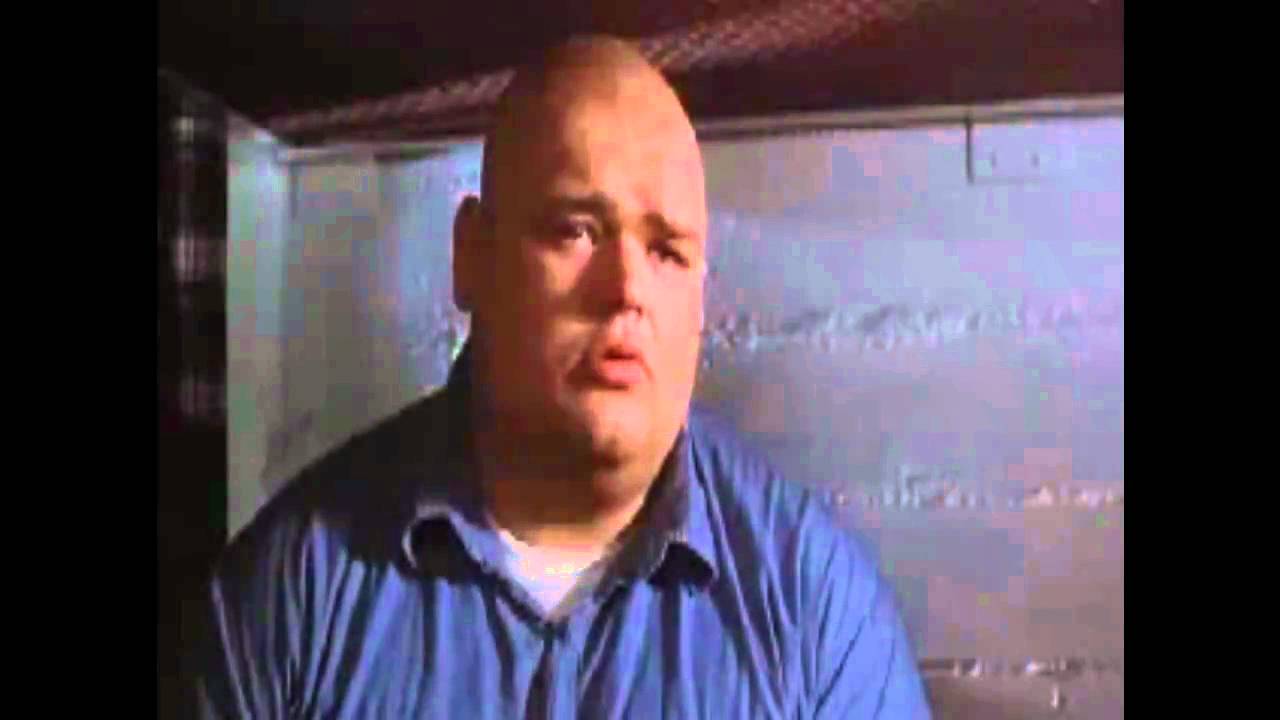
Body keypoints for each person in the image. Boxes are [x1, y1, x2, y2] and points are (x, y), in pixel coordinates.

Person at [192, 35, 932, 718]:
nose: (627, 289)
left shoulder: (815, 610)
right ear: (471, 257)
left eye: (667, 251)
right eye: (577, 230)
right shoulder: (293, 595)